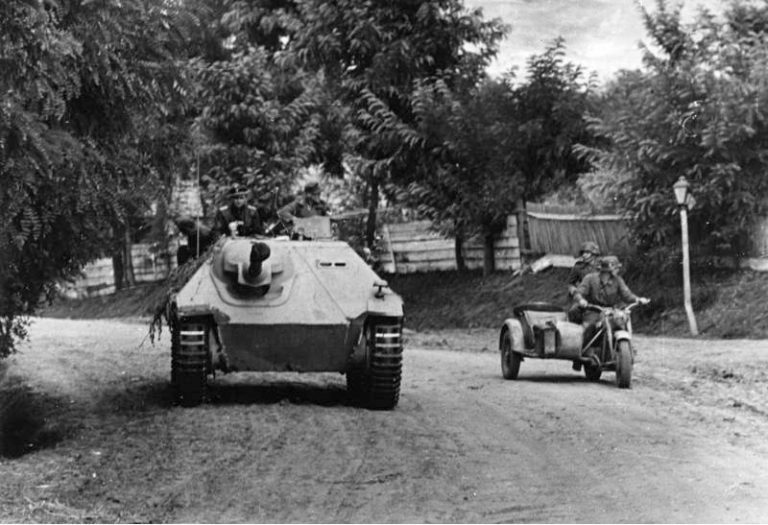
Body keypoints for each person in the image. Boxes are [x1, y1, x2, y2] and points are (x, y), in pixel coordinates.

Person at [571, 255, 650, 354]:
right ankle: (581, 352)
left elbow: (627, 295)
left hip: (611, 311)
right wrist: (581, 300)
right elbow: (578, 292)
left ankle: (627, 347)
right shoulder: (590, 278)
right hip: (593, 309)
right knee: (589, 327)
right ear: (609, 269)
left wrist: (638, 299)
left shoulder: (618, 280)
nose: (618, 270)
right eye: (616, 268)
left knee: (621, 322)